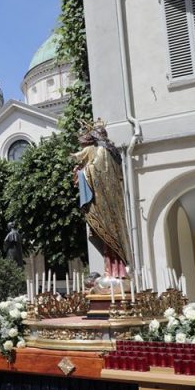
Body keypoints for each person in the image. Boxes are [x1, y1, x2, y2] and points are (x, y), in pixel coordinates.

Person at [72, 119, 131, 278]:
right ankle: (114, 270)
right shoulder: (111, 151)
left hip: (103, 200)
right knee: (109, 237)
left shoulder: (102, 151)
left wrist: (81, 173)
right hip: (112, 199)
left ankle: (116, 271)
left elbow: (95, 170)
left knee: (109, 234)